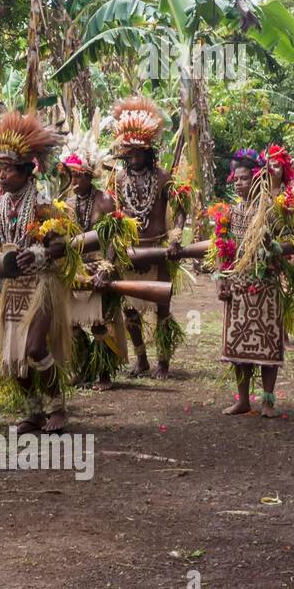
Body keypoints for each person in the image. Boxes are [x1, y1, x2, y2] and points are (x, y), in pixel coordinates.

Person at [0, 111, 76, 434]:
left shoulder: (44, 201)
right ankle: (34, 412)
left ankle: (57, 406)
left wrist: (38, 252)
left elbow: (61, 244)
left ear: (24, 170)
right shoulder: (1, 203)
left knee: (34, 347)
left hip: (41, 283)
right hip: (12, 286)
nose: (0, 175)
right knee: (15, 353)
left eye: (6, 169)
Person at [209, 149, 294, 417]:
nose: (239, 183)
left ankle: (268, 402)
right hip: (237, 288)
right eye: (235, 179)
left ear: (256, 178)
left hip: (266, 286)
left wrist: (274, 247)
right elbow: (220, 248)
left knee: (267, 347)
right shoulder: (229, 213)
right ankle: (243, 400)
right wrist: (220, 280)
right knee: (238, 348)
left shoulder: (272, 210)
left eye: (244, 178)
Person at [107, 96, 191, 379]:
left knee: (161, 309)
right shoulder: (118, 181)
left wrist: (176, 236)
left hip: (158, 249)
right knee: (130, 310)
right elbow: (114, 216)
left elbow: (181, 207)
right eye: (129, 153)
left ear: (149, 152)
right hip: (129, 251)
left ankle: (163, 362)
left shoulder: (163, 177)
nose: (134, 157)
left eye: (139, 152)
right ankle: (141, 358)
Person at [60, 123, 134, 391]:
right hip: (77, 271)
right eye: (71, 176)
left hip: (103, 266)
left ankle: (103, 373)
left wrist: (106, 268)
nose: (74, 181)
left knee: (101, 325)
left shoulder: (105, 201)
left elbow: (116, 238)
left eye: (79, 176)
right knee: (74, 325)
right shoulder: (66, 205)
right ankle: (81, 369)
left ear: (90, 175)